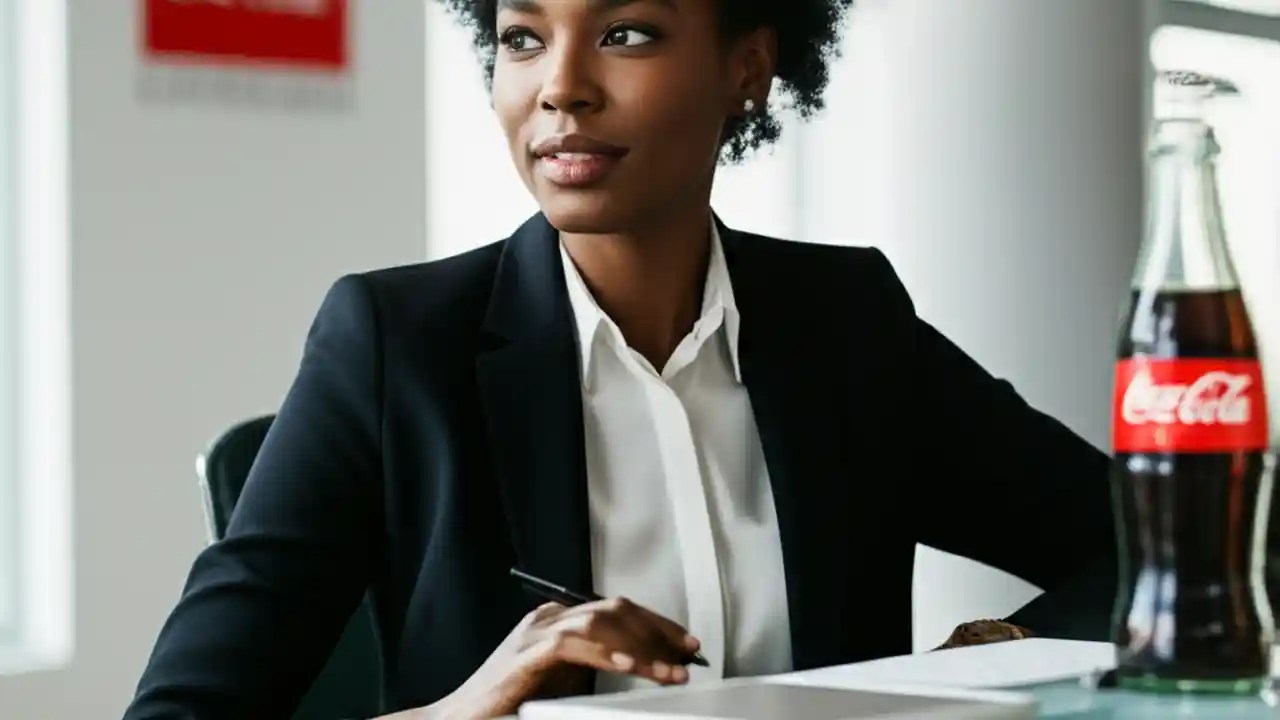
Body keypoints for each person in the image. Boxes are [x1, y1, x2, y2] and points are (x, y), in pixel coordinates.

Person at [123, 0, 1117, 717]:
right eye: (522, 38)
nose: (559, 87)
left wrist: (994, 654)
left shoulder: (840, 322)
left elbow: (1158, 548)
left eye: (623, 33)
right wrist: (471, 709)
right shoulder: (394, 343)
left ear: (746, 65)